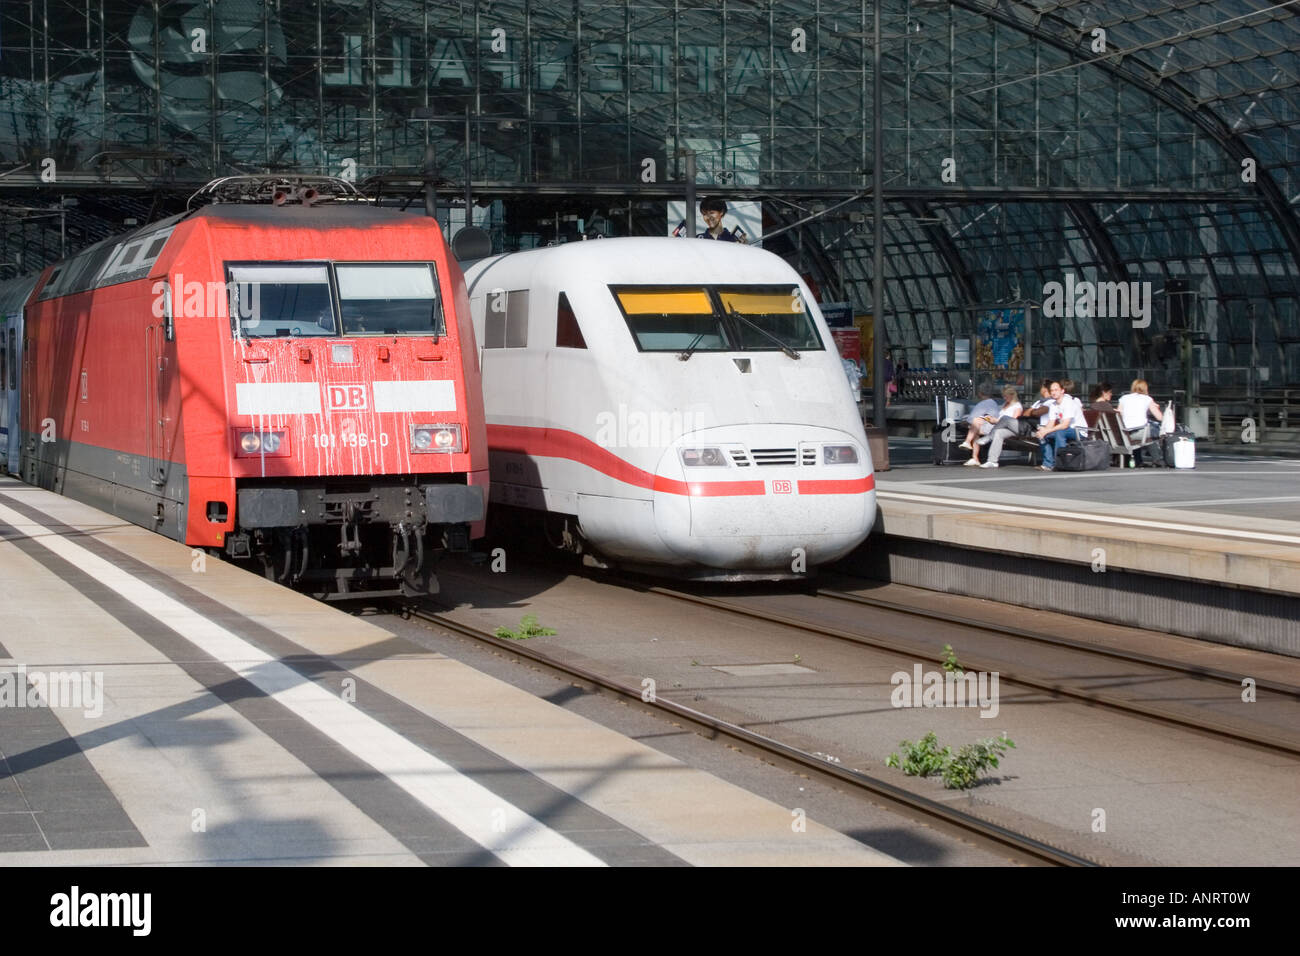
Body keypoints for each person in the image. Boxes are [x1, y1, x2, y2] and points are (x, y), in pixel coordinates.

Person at [1035, 379, 1088, 470]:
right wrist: (1043, 431)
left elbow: (1065, 425)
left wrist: (1047, 430)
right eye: (1052, 390)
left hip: (1078, 430)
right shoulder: (1053, 405)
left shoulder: (1068, 403)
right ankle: (1048, 464)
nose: (1054, 393)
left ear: (1062, 391)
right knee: (1042, 435)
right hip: (1065, 430)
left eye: (1056, 390)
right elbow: (1051, 423)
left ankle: (1060, 462)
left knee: (1060, 432)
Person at [966, 386, 1022, 466]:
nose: (1004, 398)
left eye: (1006, 396)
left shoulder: (1017, 406)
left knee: (1003, 422)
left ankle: (987, 438)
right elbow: (998, 417)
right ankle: (986, 460)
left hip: (1010, 429)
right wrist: (990, 419)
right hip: (997, 427)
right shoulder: (1004, 404)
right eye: (1004, 396)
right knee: (977, 428)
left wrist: (996, 421)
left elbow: (1012, 421)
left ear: (1012, 395)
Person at [1118, 378, 1165, 466]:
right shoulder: (1147, 399)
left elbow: (1119, 414)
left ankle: (1139, 460)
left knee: (1146, 430)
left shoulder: (1123, 398)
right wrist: (1157, 408)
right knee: (1156, 431)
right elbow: (1159, 417)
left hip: (1124, 433)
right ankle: (1157, 459)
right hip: (1139, 433)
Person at [958, 384, 1002, 451]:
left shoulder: (983, 404)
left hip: (988, 429)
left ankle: (967, 442)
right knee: (975, 427)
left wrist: (962, 422)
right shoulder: (993, 403)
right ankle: (974, 456)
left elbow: (971, 419)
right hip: (993, 427)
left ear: (980, 393)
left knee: (973, 424)